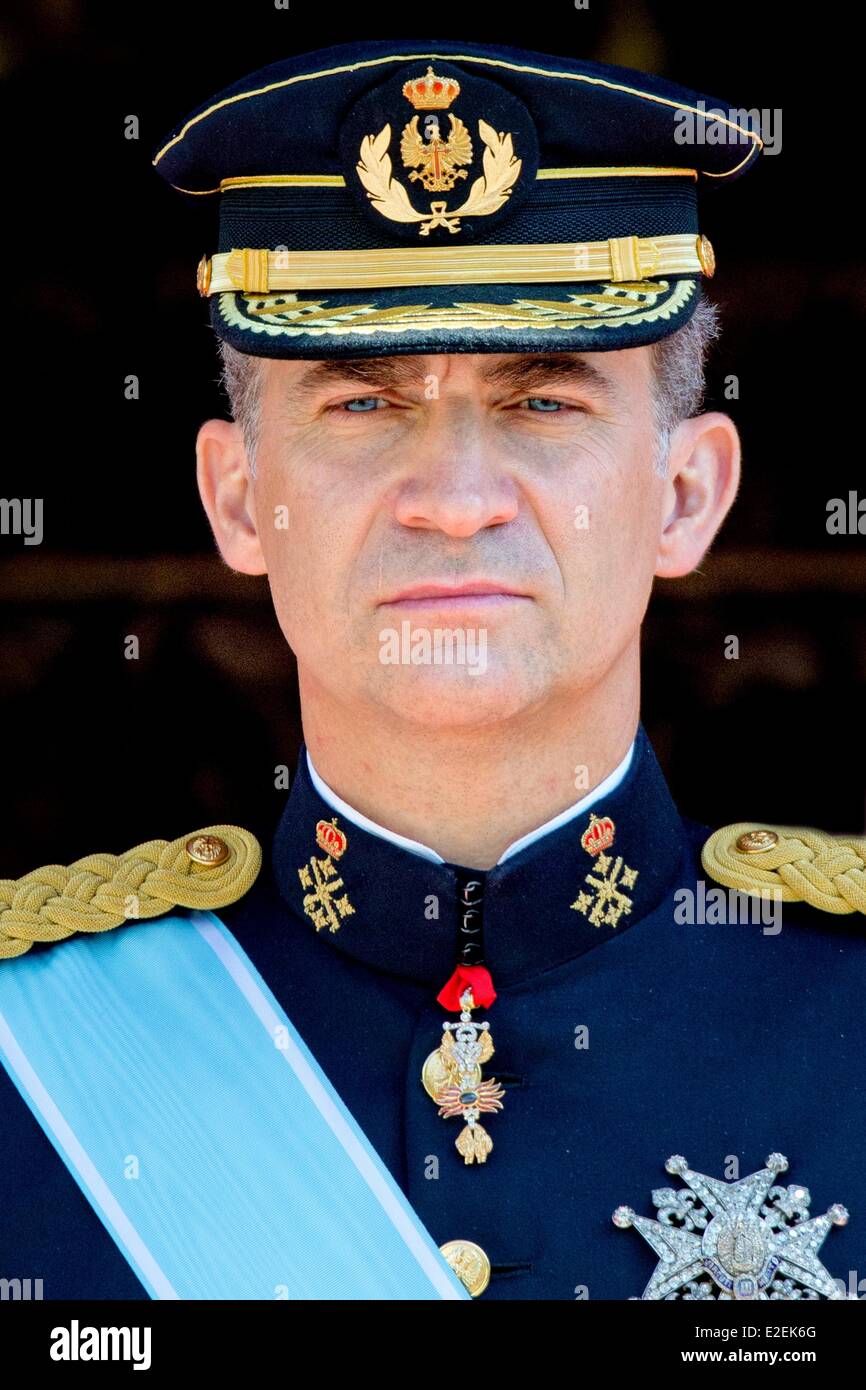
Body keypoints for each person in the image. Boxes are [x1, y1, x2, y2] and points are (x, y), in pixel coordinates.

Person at [1, 38, 864, 1303]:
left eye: (542, 404)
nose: (454, 500)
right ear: (237, 499)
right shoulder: (31, 1051)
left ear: (685, 494)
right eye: (361, 405)